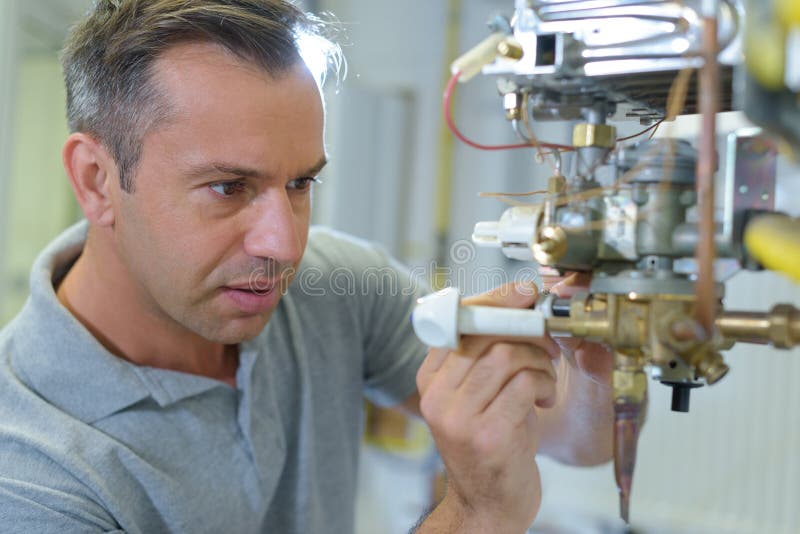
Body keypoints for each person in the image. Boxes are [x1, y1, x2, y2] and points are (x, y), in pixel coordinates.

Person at [0, 1, 614, 532]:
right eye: (228, 187)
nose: (286, 247)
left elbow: (577, 439)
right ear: (96, 180)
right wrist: (476, 515)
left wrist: (590, 351)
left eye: (299, 183)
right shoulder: (27, 469)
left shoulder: (329, 286)